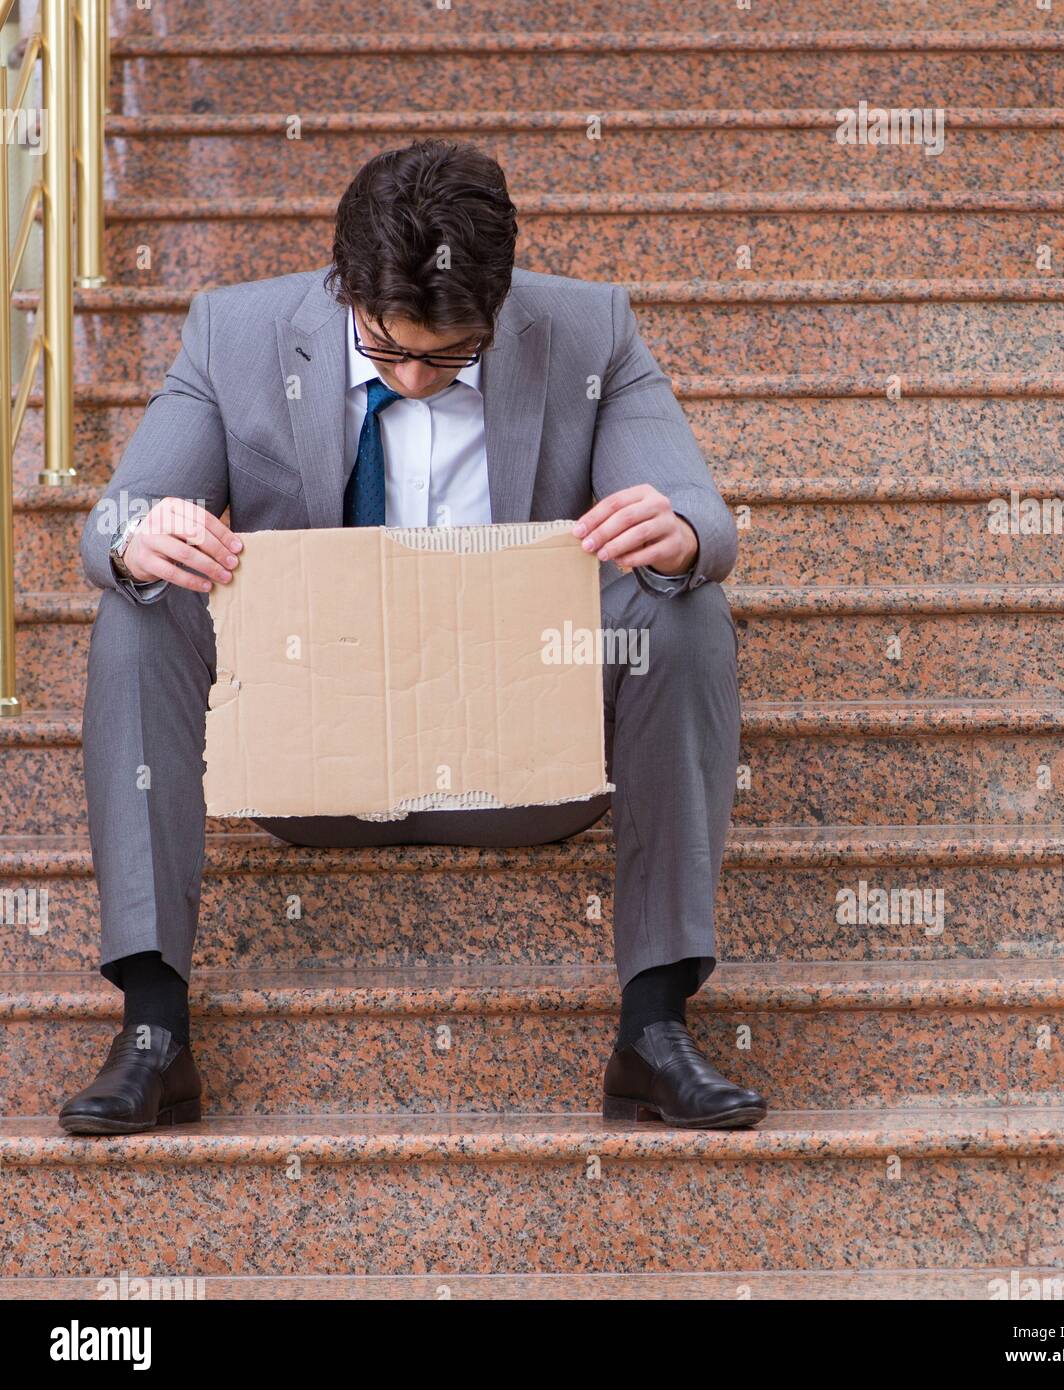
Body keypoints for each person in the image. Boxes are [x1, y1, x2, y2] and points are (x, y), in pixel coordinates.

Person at [59, 138, 766, 1134]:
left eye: (451, 355)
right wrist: (140, 536)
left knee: (679, 603)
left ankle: (652, 1029)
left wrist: (682, 531)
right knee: (138, 607)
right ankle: (152, 1029)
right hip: (315, 771)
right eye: (387, 351)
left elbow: (705, 515)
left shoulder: (588, 330)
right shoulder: (235, 335)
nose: (420, 380)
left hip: (523, 773)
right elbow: (107, 519)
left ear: (501, 303)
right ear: (343, 287)